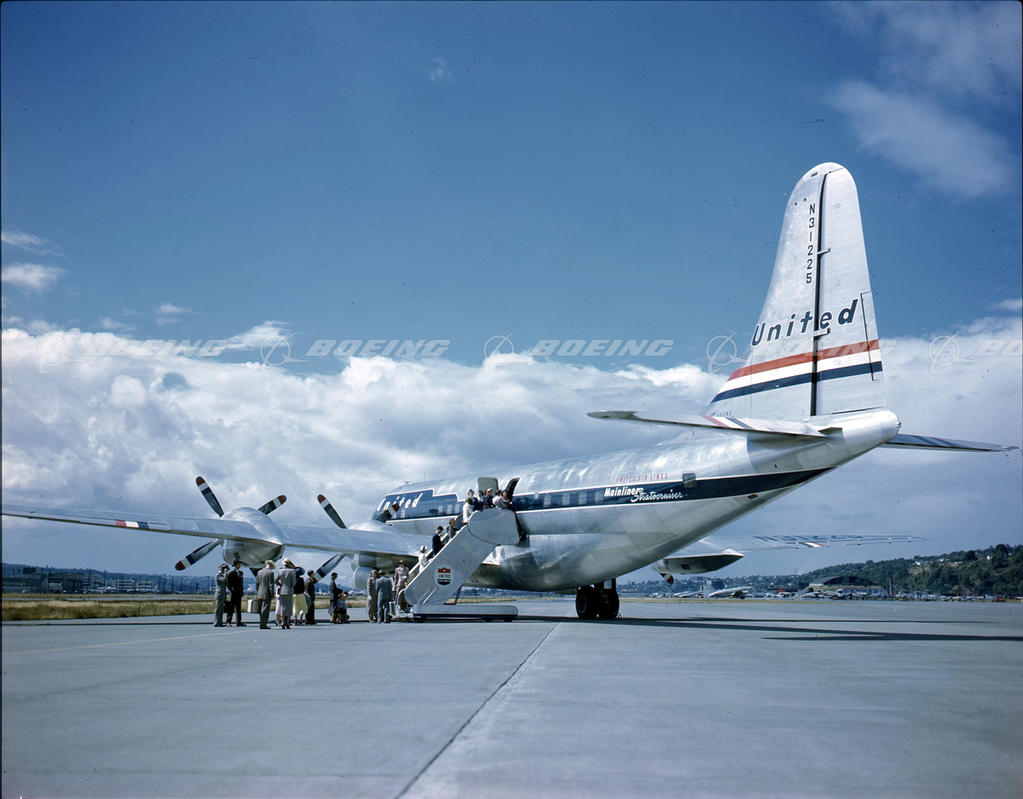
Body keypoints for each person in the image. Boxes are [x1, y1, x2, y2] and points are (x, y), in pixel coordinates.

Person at [276, 558, 296, 629]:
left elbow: (276, 580)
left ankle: (282, 622)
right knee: (289, 607)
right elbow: (294, 582)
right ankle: (287, 622)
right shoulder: (292, 571)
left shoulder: (280, 571)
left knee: (282, 607)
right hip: (289, 591)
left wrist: (281, 585)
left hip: (282, 591)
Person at [255, 560, 275, 629]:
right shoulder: (270, 572)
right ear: (271, 565)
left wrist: (257, 593)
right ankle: (263, 624)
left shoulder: (259, 572)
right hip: (266, 593)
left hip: (259, 593)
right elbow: (271, 585)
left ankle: (261, 623)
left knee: (260, 610)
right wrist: (272, 594)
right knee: (265, 610)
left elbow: (257, 583)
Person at [227, 559, 245, 626]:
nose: (240, 565)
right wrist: (232, 589)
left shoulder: (241, 573)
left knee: (238, 608)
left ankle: (239, 622)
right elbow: (228, 583)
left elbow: (241, 583)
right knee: (231, 608)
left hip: (239, 593)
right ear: (235, 565)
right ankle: (228, 621)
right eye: (239, 564)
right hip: (233, 593)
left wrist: (241, 592)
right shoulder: (231, 573)